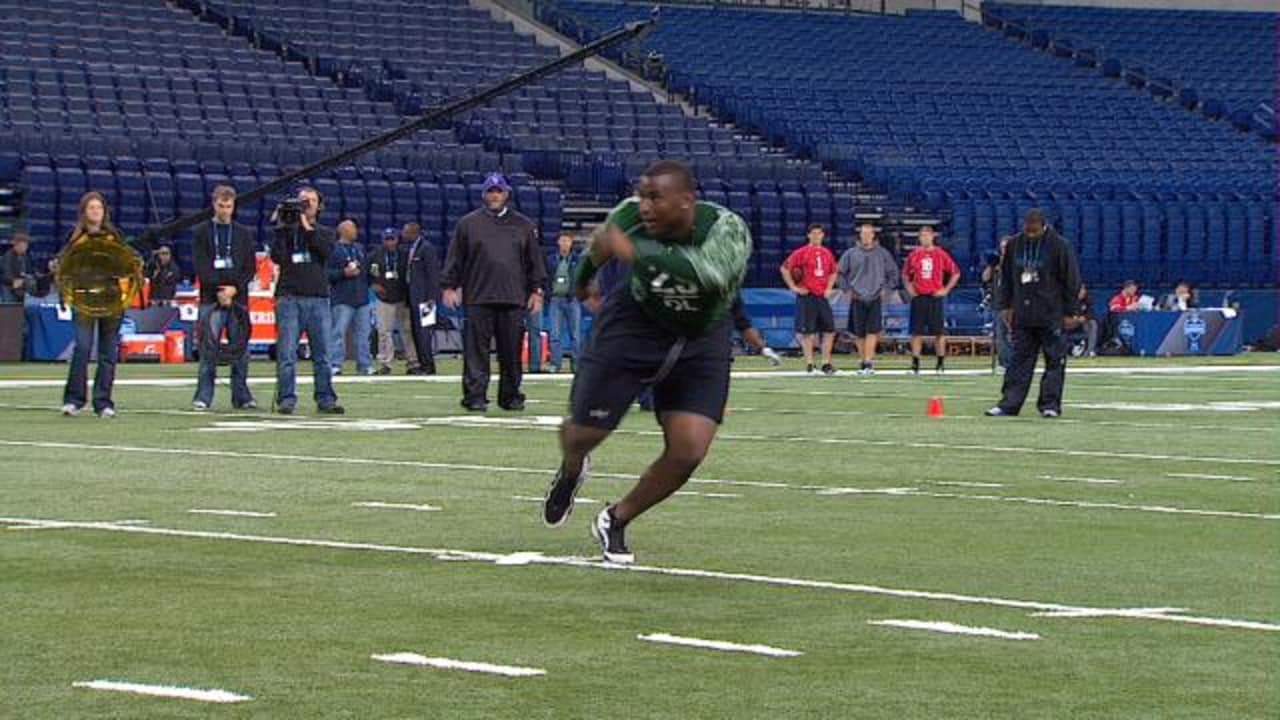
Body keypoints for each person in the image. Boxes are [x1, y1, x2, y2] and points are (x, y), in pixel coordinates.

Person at [542, 160, 752, 564]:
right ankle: (572, 468)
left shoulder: (726, 228)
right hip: (635, 322)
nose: (645, 206)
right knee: (582, 434)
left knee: (689, 448)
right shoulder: (629, 215)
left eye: (656, 198)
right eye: (642, 196)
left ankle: (616, 518)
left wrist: (638, 251)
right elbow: (603, 242)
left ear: (686, 201)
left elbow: (710, 274)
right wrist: (584, 280)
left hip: (701, 334)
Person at [441, 172, 546, 412]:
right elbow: (455, 257)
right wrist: (449, 286)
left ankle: (511, 396)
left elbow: (534, 261)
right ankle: (475, 396)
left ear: (506, 194)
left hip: (513, 297)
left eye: (499, 191)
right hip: (478, 296)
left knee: (511, 353)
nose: (495, 195)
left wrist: (536, 290)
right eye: (491, 191)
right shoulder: (468, 224)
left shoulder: (524, 225)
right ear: (484, 194)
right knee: (475, 352)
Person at [986, 209, 1081, 419]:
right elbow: (1006, 278)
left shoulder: (1060, 246)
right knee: (1019, 361)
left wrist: (1071, 311)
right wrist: (1005, 305)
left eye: (1034, 230)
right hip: (1023, 312)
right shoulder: (1014, 245)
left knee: (1054, 361)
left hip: (1051, 312)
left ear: (1043, 226)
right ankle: (1009, 404)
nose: (1030, 234)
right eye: (1027, 229)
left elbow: (1071, 279)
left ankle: (1050, 405)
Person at [270, 186, 343, 415]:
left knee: (322, 354)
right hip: (289, 297)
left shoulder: (325, 232)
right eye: (302, 201)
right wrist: (281, 226)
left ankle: (325, 398)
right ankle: (286, 398)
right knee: (287, 353)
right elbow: (277, 257)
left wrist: (305, 225)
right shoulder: (286, 232)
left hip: (317, 297)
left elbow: (325, 252)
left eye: (311, 201)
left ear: (319, 206)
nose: (306, 205)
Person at [191, 185, 257, 410]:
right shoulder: (202, 232)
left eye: (228, 206)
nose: (225, 210)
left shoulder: (243, 233)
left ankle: (242, 396)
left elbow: (249, 267)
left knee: (240, 349)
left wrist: (234, 289)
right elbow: (201, 265)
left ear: (234, 206)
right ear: (214, 204)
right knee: (208, 347)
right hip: (211, 298)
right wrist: (219, 290)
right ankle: (203, 395)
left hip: (238, 299)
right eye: (221, 205)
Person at [60, 192, 125, 418]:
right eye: (91, 207)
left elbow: (124, 264)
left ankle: (103, 402)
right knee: (82, 347)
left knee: (108, 352)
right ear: (84, 212)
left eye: (99, 207)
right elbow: (65, 265)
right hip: (84, 298)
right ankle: (74, 399)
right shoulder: (75, 238)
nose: (96, 211)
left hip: (111, 298)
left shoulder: (114, 236)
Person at [836, 223, 898, 375]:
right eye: (863, 234)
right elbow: (840, 273)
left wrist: (886, 289)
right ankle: (862, 360)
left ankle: (868, 361)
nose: (866, 237)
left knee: (872, 330)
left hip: (875, 296)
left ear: (873, 235)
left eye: (868, 233)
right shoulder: (850, 253)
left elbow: (893, 273)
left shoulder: (882, 254)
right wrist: (847, 290)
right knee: (859, 332)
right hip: (857, 296)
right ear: (860, 235)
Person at [780, 223, 838, 375]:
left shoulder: (827, 253)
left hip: (821, 295)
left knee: (829, 330)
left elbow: (833, 271)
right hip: (807, 295)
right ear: (808, 235)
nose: (817, 236)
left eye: (819, 233)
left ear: (823, 235)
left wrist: (829, 288)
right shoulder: (801, 253)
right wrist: (794, 287)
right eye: (814, 233)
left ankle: (826, 363)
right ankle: (810, 363)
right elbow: (785, 268)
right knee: (808, 332)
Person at [903, 225, 960, 375]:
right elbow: (905, 274)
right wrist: (910, 289)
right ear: (919, 238)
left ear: (933, 236)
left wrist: (946, 290)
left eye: (927, 235)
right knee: (916, 332)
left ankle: (940, 363)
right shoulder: (914, 254)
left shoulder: (940, 254)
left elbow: (955, 273)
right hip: (919, 296)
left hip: (935, 296)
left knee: (939, 332)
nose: (925, 238)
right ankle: (915, 364)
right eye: (922, 236)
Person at [367, 227, 419, 375]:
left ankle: (413, 362)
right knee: (384, 332)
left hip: (403, 298)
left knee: (408, 331)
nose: (390, 242)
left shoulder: (405, 255)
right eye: (387, 239)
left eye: (392, 239)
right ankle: (386, 363)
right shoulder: (375, 255)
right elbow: (366, 272)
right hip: (383, 299)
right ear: (382, 240)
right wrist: (372, 284)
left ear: (397, 240)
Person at [327, 219, 373, 376]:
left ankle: (365, 364)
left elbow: (365, 270)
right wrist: (343, 273)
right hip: (342, 298)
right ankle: (335, 364)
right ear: (343, 231)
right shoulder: (333, 249)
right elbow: (326, 274)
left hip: (361, 298)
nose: (356, 231)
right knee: (338, 332)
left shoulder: (359, 249)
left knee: (364, 334)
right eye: (352, 228)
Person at [545, 232, 583, 373]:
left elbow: (583, 277)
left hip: (572, 300)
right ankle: (555, 364)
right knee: (555, 335)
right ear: (558, 242)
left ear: (571, 243)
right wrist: (547, 293)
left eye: (567, 241)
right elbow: (546, 277)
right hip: (555, 300)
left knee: (575, 335)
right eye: (562, 240)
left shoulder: (578, 260)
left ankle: (576, 365)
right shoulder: (550, 259)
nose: (565, 243)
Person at [404, 222, 440, 375]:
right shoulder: (413, 248)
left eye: (406, 232)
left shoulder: (427, 248)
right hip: (414, 298)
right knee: (417, 333)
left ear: (413, 232)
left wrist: (432, 297)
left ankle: (428, 366)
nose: (403, 235)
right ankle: (422, 363)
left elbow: (433, 274)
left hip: (426, 300)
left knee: (424, 333)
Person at [982, 236, 1014, 371]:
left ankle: (1018, 362)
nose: (1004, 249)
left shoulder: (1017, 261)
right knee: (1001, 335)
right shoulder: (996, 263)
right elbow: (985, 278)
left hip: (1014, 303)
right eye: (1003, 247)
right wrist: (991, 265)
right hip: (999, 303)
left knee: (1016, 335)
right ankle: (1004, 362)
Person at [1066, 284, 1098, 358]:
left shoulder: (1088, 300)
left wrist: (1084, 317)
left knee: (1092, 324)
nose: (1083, 292)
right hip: (1069, 323)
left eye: (1084, 290)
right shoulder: (1069, 300)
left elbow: (1091, 313)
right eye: (1081, 290)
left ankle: (1090, 350)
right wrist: (1073, 317)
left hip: (1082, 324)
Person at [1, 232, 34, 303]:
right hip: (9, 287)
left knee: (20, 307)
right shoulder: (8, 257)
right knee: (10, 307)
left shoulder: (26, 256)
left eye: (26, 246)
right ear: (16, 245)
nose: (24, 248)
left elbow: (30, 270)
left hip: (21, 287)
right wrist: (13, 281)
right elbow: (6, 273)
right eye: (22, 246)